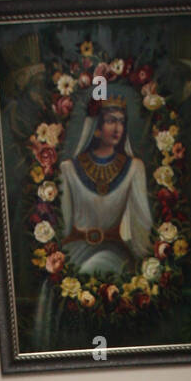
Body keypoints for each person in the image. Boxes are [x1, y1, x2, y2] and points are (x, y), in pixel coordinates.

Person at [57, 97, 152, 277]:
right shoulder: (68, 169)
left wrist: (148, 260)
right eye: (110, 121)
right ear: (96, 128)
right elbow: (64, 227)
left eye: (121, 122)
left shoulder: (134, 168)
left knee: (96, 269)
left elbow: (142, 225)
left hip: (114, 250)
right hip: (75, 251)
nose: (117, 128)